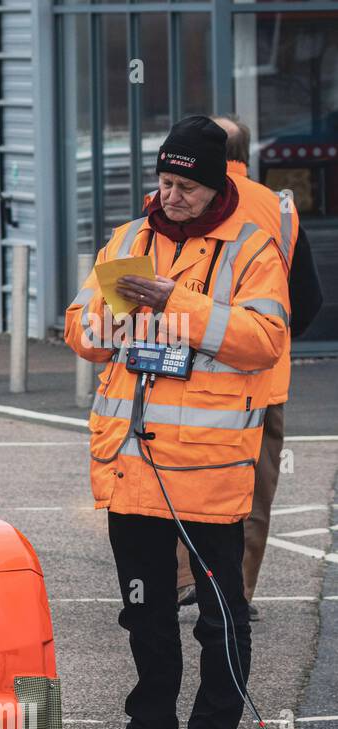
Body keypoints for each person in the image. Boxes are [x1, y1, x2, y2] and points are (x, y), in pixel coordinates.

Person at [63, 116, 290, 729]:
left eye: (184, 186)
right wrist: (116, 315)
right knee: (144, 609)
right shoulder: (131, 239)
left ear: (215, 183)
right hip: (131, 466)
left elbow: (264, 338)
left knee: (220, 615)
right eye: (163, 182)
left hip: (210, 470)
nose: (170, 197)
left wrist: (176, 303)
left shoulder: (250, 248)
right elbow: (82, 331)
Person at [173, 114, 326, 616]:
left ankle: (177, 579)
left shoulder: (176, 199)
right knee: (252, 494)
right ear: (247, 151)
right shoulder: (279, 209)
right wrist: (275, 341)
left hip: (184, 375)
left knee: (178, 479)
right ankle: (235, 593)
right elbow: (306, 299)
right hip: (262, 382)